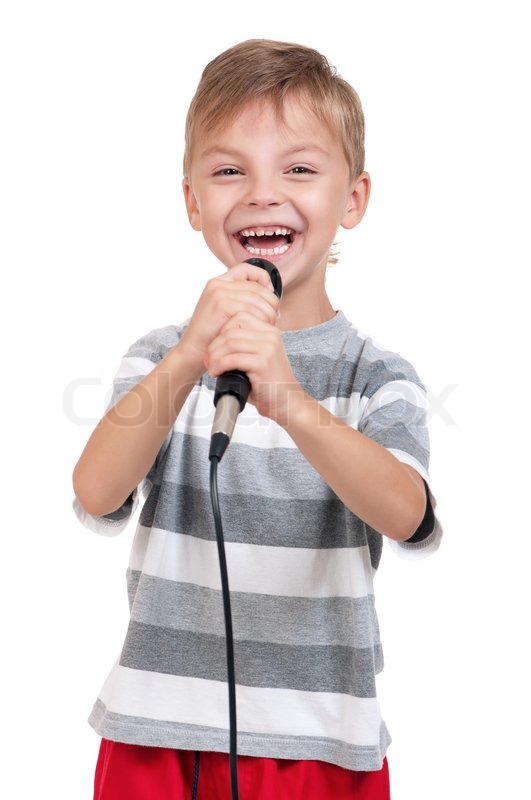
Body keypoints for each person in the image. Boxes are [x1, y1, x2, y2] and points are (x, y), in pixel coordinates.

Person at [73, 38, 442, 800]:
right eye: (229, 169)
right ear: (193, 202)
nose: (262, 194)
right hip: (156, 727)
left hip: (317, 737)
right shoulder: (160, 357)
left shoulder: (373, 375)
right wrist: (186, 358)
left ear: (352, 200)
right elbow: (95, 493)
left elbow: (410, 516)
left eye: (299, 169)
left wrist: (289, 401)